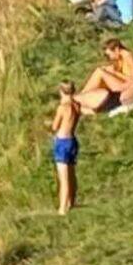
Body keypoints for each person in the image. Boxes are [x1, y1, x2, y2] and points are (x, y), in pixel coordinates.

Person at [75, 39, 133, 114]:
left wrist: (115, 73)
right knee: (102, 70)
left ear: (116, 49)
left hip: (128, 85)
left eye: (109, 54)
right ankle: (82, 98)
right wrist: (111, 71)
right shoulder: (120, 58)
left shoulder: (128, 56)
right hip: (124, 84)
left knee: (100, 72)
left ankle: (80, 97)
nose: (110, 57)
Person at [51, 82, 81, 214]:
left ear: (61, 92)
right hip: (72, 140)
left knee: (63, 177)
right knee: (71, 174)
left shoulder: (63, 107)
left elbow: (55, 126)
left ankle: (62, 208)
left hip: (62, 141)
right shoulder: (76, 106)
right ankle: (71, 202)